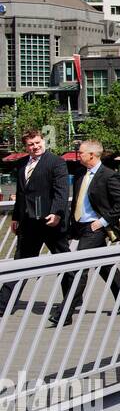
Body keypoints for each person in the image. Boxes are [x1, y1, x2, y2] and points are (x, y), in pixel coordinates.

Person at [49, 140, 120, 325]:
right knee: (104, 265)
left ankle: (65, 313)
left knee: (79, 267)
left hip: (94, 228)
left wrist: (103, 222)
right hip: (79, 225)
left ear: (92, 155)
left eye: (80, 153)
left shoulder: (108, 176)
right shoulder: (81, 173)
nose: (77, 155)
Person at [0, 130, 69, 313]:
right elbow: (21, 194)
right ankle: (3, 304)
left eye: (37, 142)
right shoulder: (22, 163)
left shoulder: (56, 162)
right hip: (28, 223)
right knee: (20, 262)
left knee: (66, 262)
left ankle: (72, 298)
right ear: (26, 146)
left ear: (43, 141)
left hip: (50, 222)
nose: (35, 146)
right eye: (31, 144)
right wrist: (15, 218)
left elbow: (61, 191)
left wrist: (56, 213)